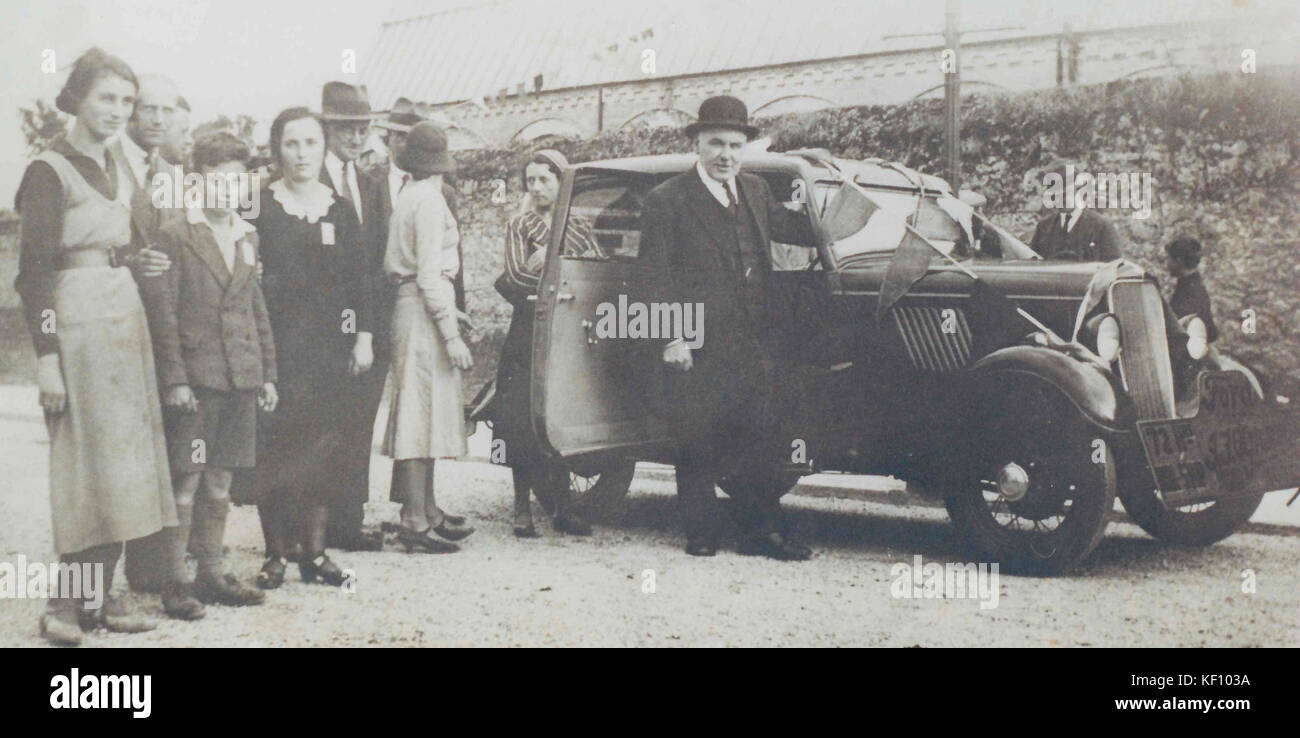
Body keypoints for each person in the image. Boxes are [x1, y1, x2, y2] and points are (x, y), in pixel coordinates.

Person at [15, 48, 176, 645]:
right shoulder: (48, 170)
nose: (118, 111)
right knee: (86, 465)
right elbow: (33, 276)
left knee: (124, 464)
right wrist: (48, 359)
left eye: (126, 101)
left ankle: (100, 600)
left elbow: (115, 240)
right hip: (77, 326)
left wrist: (139, 257)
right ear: (77, 98)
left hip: (123, 317)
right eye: (106, 97)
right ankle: (62, 607)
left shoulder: (123, 166)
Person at [637, 95, 817, 560]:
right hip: (698, 342)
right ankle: (701, 530)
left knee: (760, 436)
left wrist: (836, 194)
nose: (726, 155)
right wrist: (671, 337)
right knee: (698, 436)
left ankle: (762, 531)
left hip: (755, 340)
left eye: (736, 145)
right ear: (696, 143)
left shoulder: (755, 190)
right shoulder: (667, 201)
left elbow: (797, 230)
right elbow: (653, 276)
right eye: (716, 143)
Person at [139, 132, 274, 616]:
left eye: (236, 182)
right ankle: (176, 581)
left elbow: (255, 308)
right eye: (216, 181)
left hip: (240, 382)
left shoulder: (247, 236)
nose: (227, 191)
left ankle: (211, 573)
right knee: (187, 481)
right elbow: (164, 314)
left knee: (221, 482)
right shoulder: (176, 234)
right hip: (197, 386)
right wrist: (175, 379)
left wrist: (267, 374)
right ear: (196, 183)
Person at [248, 107, 373, 587]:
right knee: (276, 449)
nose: (301, 154)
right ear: (277, 148)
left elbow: (360, 280)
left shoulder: (339, 208)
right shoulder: (260, 205)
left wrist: (362, 338)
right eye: (292, 144)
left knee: (323, 449)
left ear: (323, 149)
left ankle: (316, 555)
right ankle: (275, 554)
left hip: (329, 350)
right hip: (276, 348)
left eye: (311, 144)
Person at [366, 108, 469, 532]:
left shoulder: (411, 193)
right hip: (422, 309)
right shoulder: (428, 200)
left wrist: (451, 309)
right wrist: (452, 335)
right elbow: (428, 276)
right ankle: (413, 516)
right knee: (416, 411)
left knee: (424, 410)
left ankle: (426, 508)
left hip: (415, 304)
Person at [492, 149, 602, 537]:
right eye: (531, 181)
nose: (537, 187)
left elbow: (594, 270)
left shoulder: (579, 226)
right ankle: (522, 509)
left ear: (561, 182)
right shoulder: (519, 226)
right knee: (522, 415)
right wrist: (545, 266)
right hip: (529, 331)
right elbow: (514, 278)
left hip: (567, 330)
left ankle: (562, 507)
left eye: (545, 179)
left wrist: (560, 274)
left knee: (562, 415)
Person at [117, 72, 187, 592]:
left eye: (167, 110)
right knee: (122, 447)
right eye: (148, 109)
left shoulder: (170, 173)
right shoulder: (110, 166)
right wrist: (129, 262)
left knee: (166, 443)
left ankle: (151, 567)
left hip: (167, 323)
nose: (157, 119)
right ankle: (104, 571)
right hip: (118, 317)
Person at [318, 81, 385, 552]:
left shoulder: (366, 182)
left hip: (364, 322)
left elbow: (371, 259)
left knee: (358, 421)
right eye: (345, 128)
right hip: (319, 323)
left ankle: (348, 520)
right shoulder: (306, 180)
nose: (356, 138)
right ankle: (311, 527)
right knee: (319, 422)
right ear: (326, 128)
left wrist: (370, 326)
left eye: (362, 129)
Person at [1029, 160, 1123, 262]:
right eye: (1055, 195)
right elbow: (1033, 267)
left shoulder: (1101, 227)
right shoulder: (1044, 227)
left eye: (1066, 194)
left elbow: (1114, 269)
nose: (1060, 200)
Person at [1165, 236, 1219, 343]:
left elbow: (1179, 332)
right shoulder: (1190, 284)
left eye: (1169, 259)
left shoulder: (1190, 292)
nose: (1167, 264)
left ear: (1179, 261)